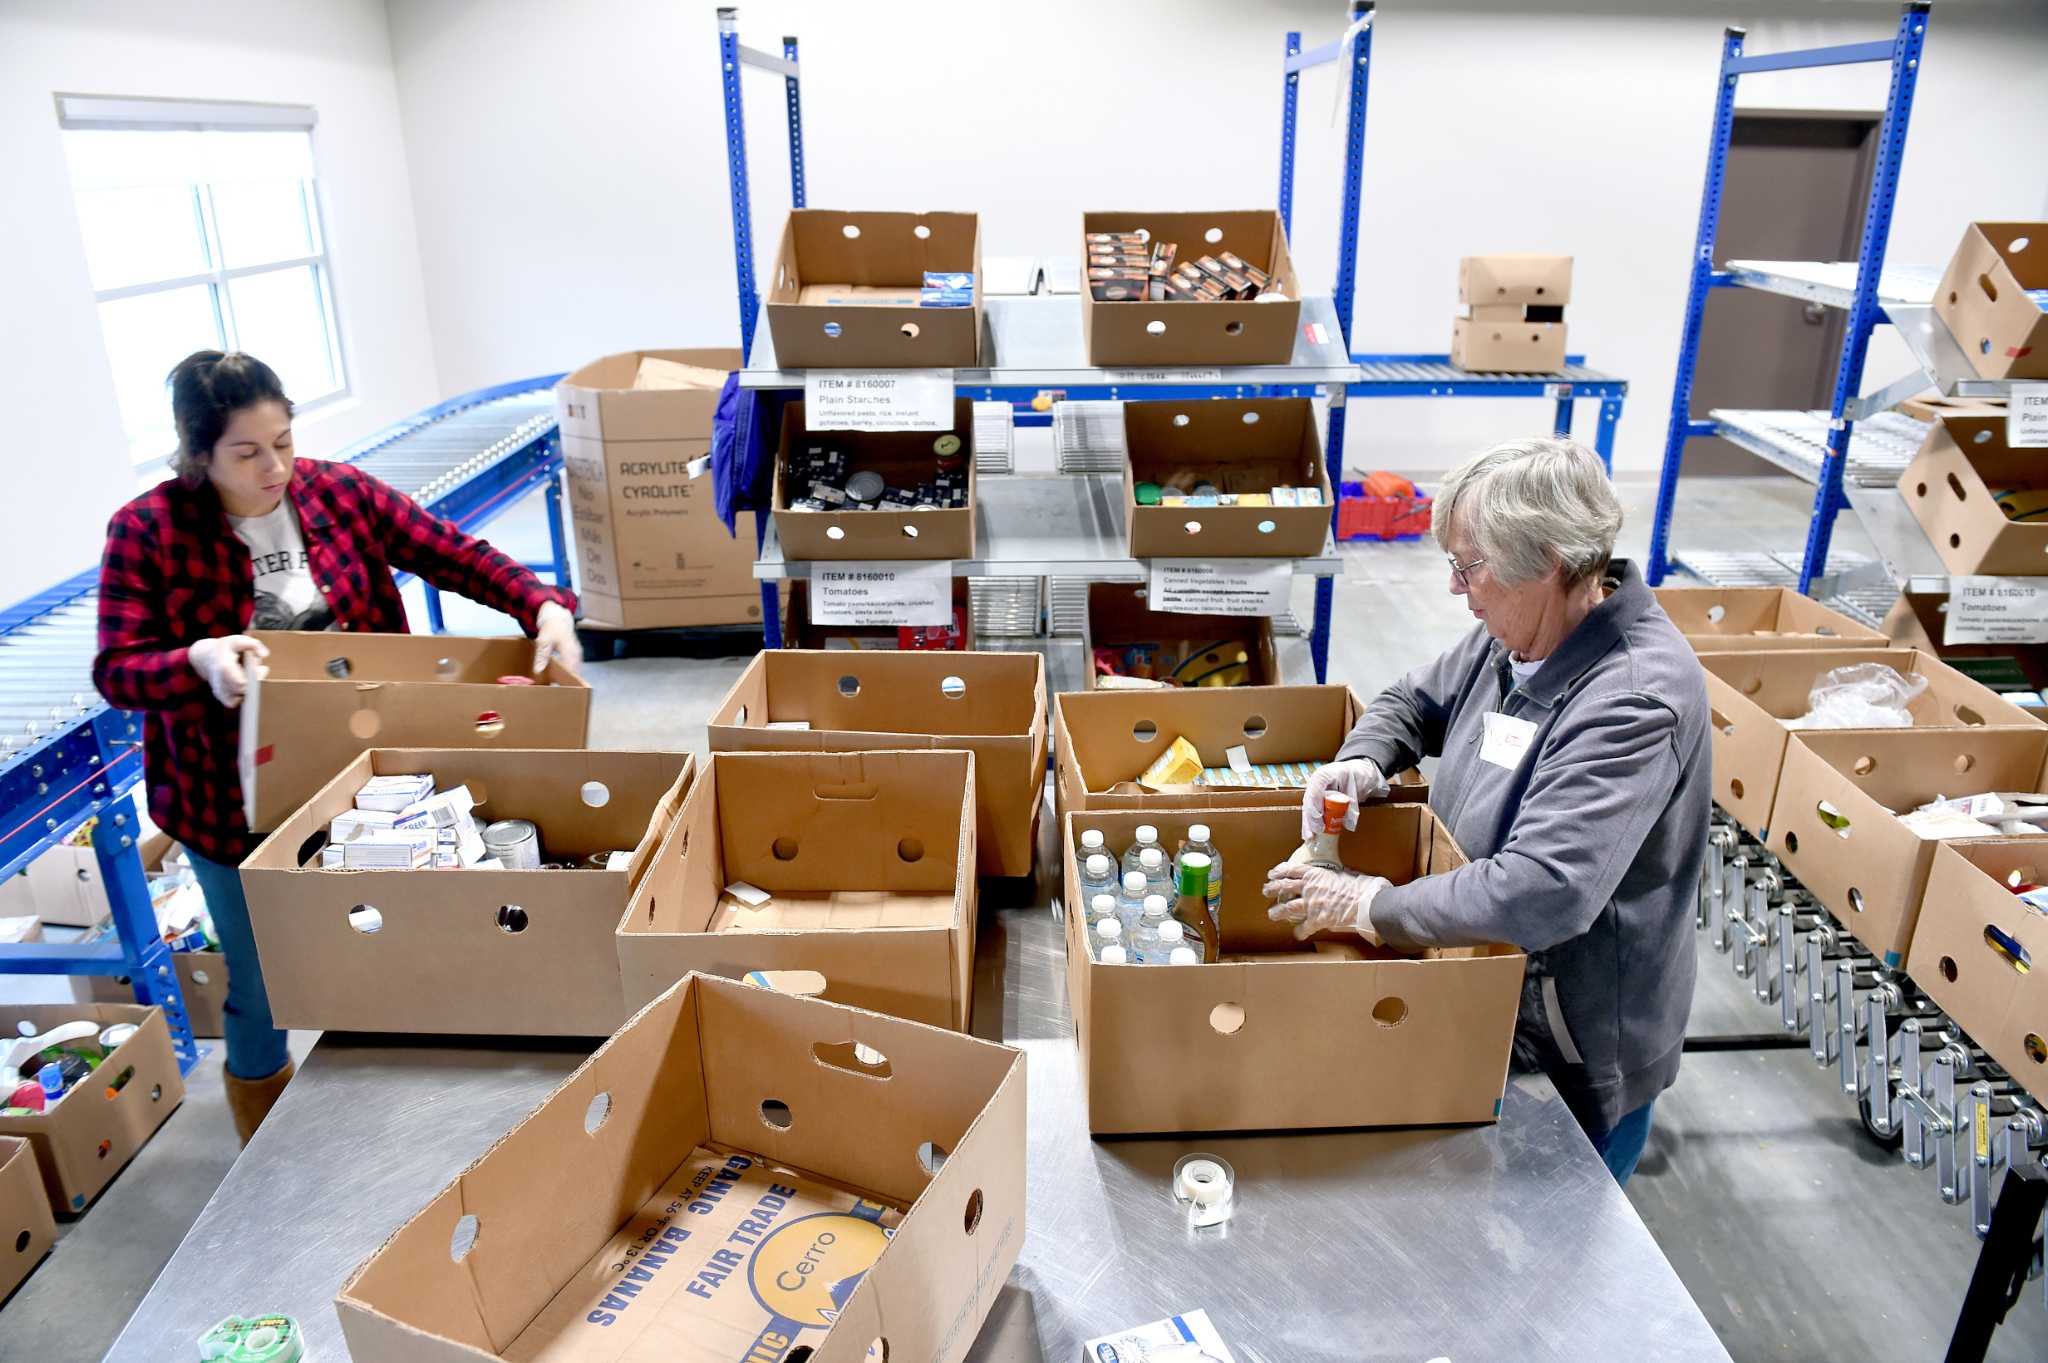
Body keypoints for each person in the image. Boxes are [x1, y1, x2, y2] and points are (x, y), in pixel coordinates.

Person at [92, 351, 582, 1143]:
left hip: (367, 776)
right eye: (247, 453)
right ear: (197, 453)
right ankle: (269, 1147)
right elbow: (118, 669)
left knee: (392, 936)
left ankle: (414, 1120)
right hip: (228, 801)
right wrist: (197, 659)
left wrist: (542, 605)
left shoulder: (338, 492)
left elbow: (451, 551)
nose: (274, 466)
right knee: (260, 978)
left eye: (283, 440)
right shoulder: (148, 531)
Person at [1265, 436, 1708, 1184]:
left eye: (1470, 567)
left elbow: (1545, 888)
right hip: (1490, 988)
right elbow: (1414, 698)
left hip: (1575, 1043)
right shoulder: (1522, 629)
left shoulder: (1633, 697)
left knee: (1547, 1250)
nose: (1454, 588)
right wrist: (1363, 759)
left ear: (1555, 564)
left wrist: (1372, 902)